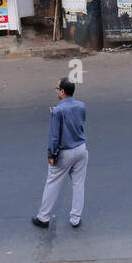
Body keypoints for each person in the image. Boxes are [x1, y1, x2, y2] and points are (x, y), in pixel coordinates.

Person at [32, 78, 88, 228]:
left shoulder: (58, 111)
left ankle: (43, 217)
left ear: (62, 92)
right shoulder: (81, 106)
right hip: (81, 149)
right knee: (78, 184)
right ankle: (75, 218)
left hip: (65, 152)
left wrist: (51, 154)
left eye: (57, 89)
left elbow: (54, 136)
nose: (56, 91)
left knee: (52, 184)